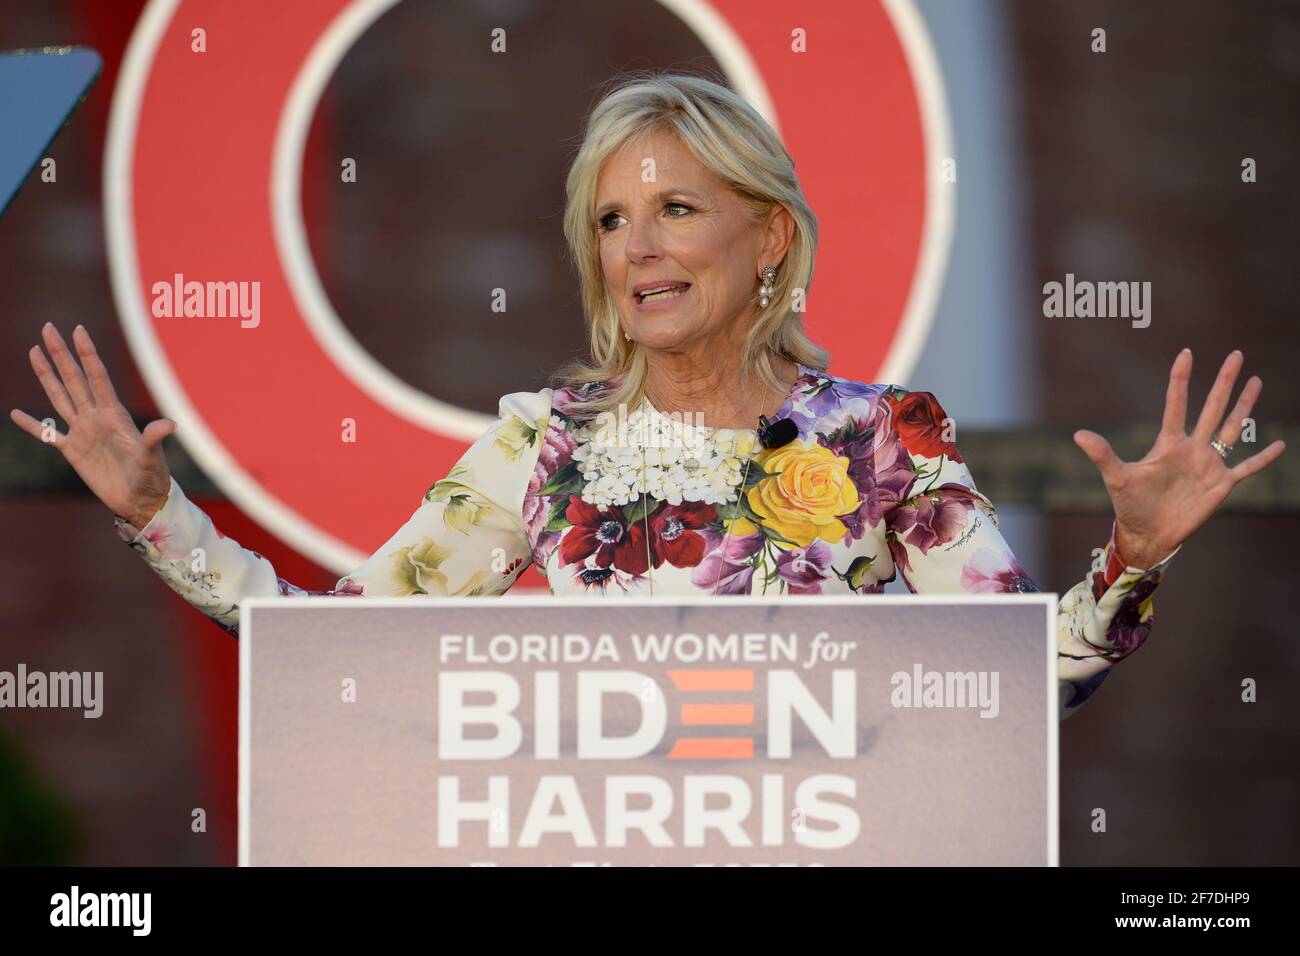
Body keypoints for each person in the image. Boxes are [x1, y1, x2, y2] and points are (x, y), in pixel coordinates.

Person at [10, 73, 1285, 722]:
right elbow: (330, 646)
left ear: (770, 236)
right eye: (612, 219)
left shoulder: (887, 436)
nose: (639, 248)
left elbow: (1009, 691)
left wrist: (1132, 556)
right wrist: (155, 508)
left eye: (678, 209)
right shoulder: (542, 441)